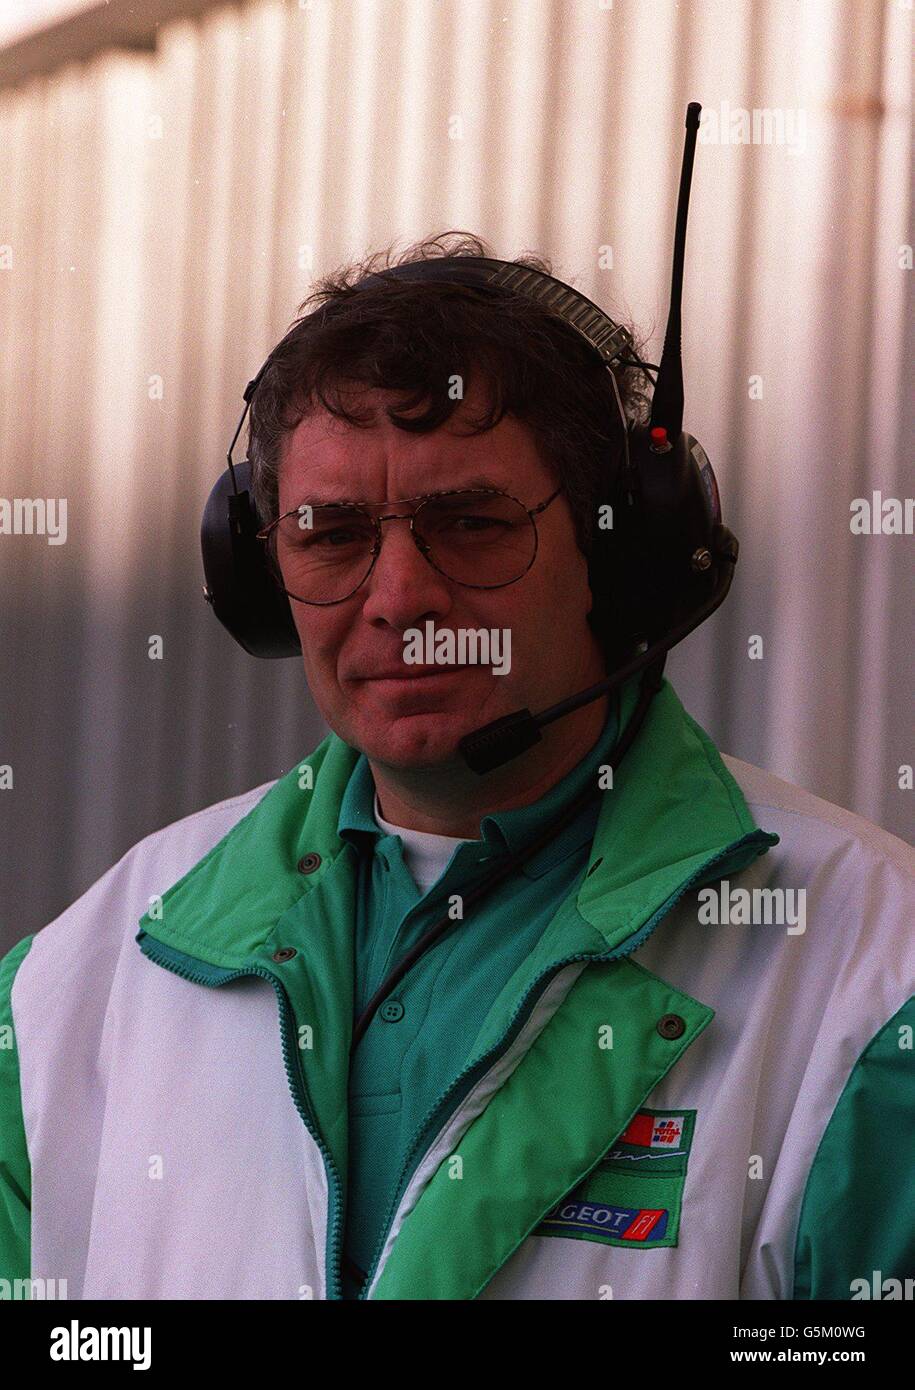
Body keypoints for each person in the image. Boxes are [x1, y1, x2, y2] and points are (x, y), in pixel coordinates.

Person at [1, 233, 912, 1302]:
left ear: (617, 555)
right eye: (331, 534)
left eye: (471, 524)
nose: (399, 597)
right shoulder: (81, 982)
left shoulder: (872, 975)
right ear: (261, 572)